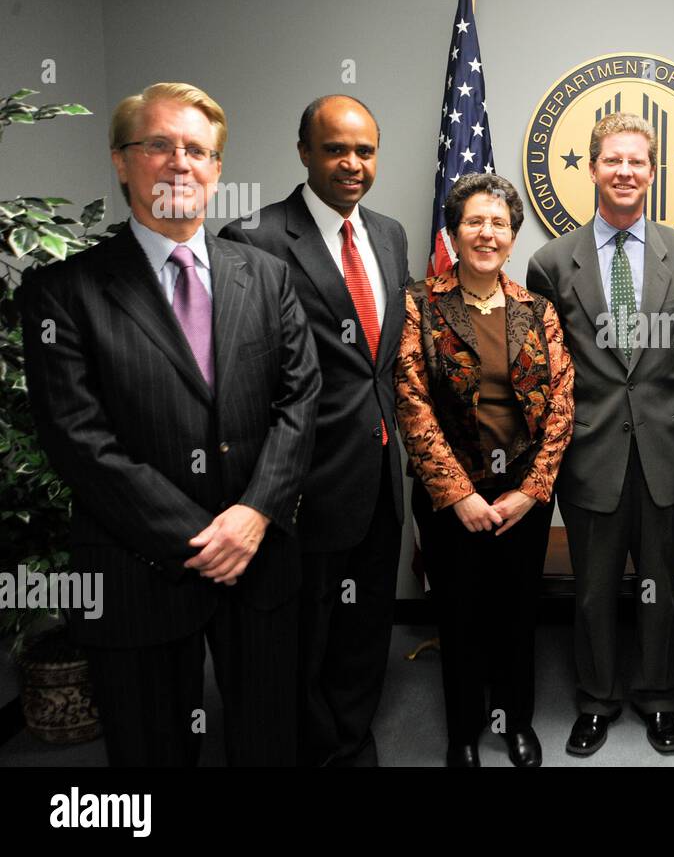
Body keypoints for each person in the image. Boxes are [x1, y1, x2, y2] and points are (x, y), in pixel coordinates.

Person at [20, 82, 320, 766]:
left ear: (217, 170)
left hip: (261, 561)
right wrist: (198, 537)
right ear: (122, 161)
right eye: (158, 144)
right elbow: (77, 439)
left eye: (197, 150)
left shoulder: (267, 278)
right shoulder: (64, 293)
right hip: (136, 571)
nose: (179, 162)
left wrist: (252, 516)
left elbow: (300, 402)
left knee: (269, 742)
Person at [219, 95, 408, 767]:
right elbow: (243, 378)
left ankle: (352, 740)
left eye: (364, 150)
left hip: (383, 475)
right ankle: (311, 747)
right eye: (335, 148)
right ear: (304, 151)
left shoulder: (388, 234)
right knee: (304, 635)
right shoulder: (256, 236)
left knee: (364, 628)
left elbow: (382, 362)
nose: (352, 163)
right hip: (306, 485)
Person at [527, 113, 674, 758]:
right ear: (592, 168)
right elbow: (545, 367)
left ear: (652, 173)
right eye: (612, 160)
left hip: (664, 450)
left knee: (660, 585)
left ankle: (658, 698)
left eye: (637, 161)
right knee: (594, 589)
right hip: (589, 451)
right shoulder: (550, 261)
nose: (624, 171)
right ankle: (597, 701)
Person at [396, 173, 573, 767]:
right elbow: (412, 403)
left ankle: (515, 721)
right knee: (462, 618)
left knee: (518, 615)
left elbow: (562, 406)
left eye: (499, 223)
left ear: (513, 235)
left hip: (522, 496)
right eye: (474, 221)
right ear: (453, 231)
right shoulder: (420, 304)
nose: (487, 232)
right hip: (453, 501)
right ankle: (463, 733)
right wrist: (459, 495)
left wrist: (531, 490)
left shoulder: (536, 309)